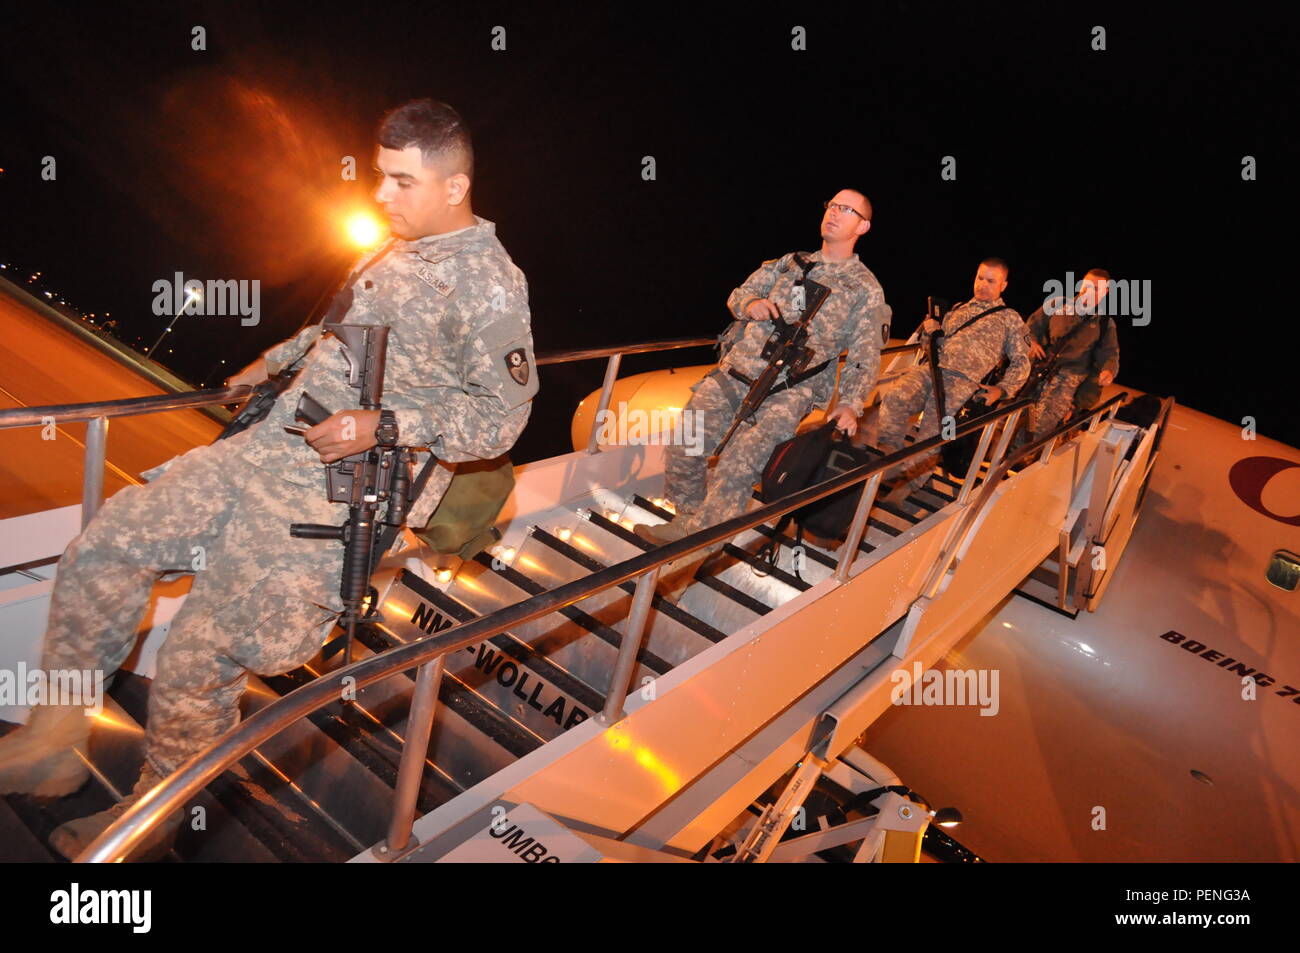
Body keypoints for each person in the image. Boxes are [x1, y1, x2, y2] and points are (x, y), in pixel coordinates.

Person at [0, 99, 538, 860]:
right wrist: (274, 362)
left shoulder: (491, 283)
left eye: (400, 182)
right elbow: (334, 329)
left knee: (199, 657)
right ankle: (53, 738)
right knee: (108, 545)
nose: (381, 196)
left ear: (454, 185)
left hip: (335, 501)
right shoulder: (393, 247)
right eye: (380, 177)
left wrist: (380, 424)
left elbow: (500, 420)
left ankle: (148, 821)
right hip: (263, 453)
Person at [634, 189, 889, 548]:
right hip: (736, 371)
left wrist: (850, 402)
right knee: (684, 445)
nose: (834, 213)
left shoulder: (865, 288)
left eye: (846, 210)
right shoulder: (789, 262)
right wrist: (750, 303)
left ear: (863, 226)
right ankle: (689, 521)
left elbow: (866, 352)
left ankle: (694, 548)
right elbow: (738, 294)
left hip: (790, 388)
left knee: (738, 467)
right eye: (832, 205)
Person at [875, 258, 1031, 498]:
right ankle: (889, 464)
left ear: (1004, 285)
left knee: (932, 437)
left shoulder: (1010, 318)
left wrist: (1002, 390)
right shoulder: (958, 309)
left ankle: (906, 488)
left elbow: (1022, 361)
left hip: (963, 384)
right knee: (895, 399)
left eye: (991, 281)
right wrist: (931, 333)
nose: (983, 285)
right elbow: (933, 346)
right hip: (932, 372)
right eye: (980, 278)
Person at [1019, 268, 1120, 443]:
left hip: (1066, 381)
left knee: (1040, 429)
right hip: (1037, 370)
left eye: (1096, 289)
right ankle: (991, 459)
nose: (1089, 292)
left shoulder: (1104, 324)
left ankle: (1016, 465)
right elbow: (1029, 327)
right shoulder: (1057, 304)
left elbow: (1110, 354)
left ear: (1105, 292)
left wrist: (1108, 372)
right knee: (1009, 416)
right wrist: (1031, 343)